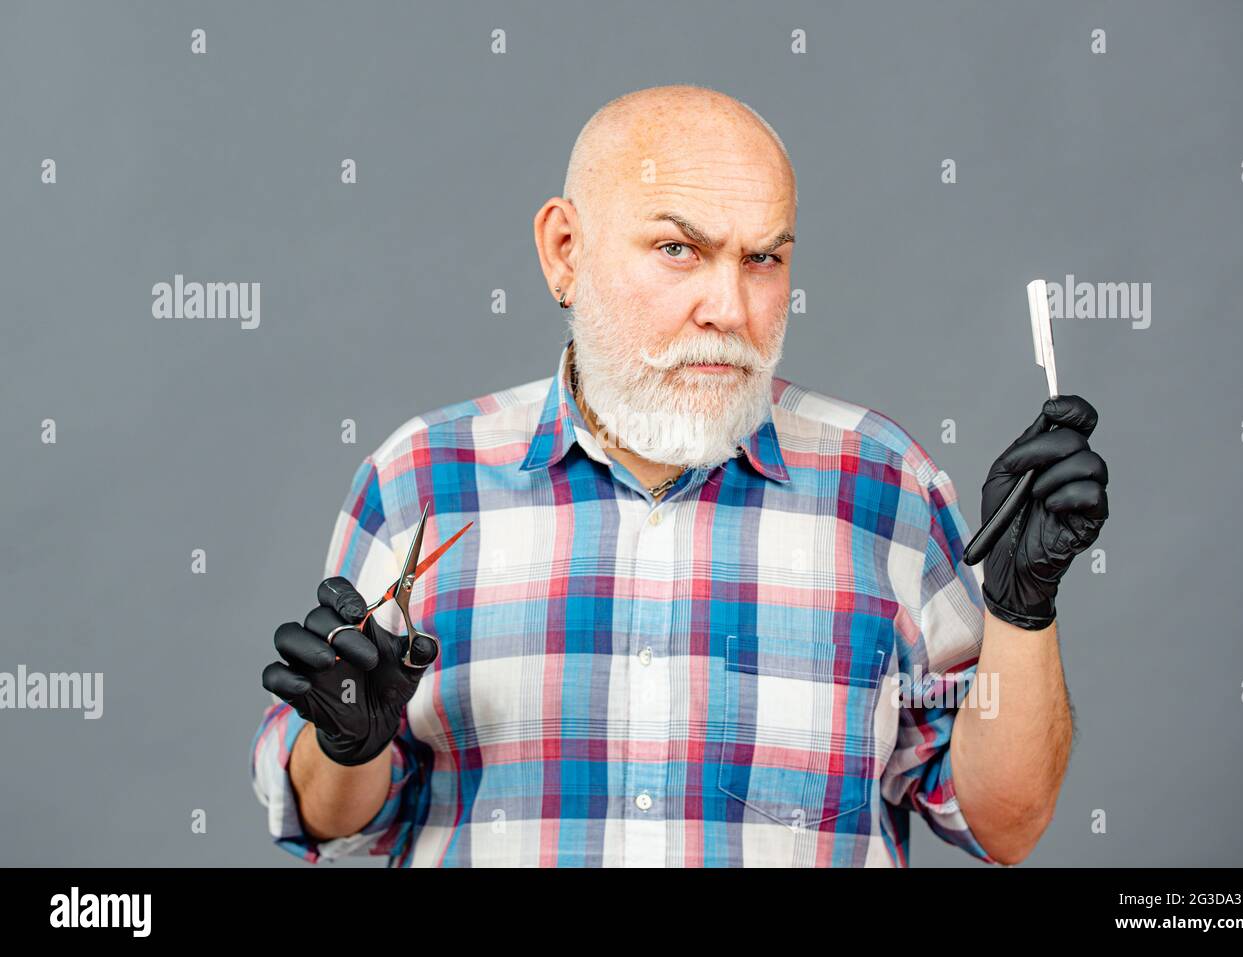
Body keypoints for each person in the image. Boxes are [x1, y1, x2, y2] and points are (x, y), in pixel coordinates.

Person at [251, 84, 1109, 867]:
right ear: (564, 251)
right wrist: (345, 747)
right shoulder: (421, 483)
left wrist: (1021, 608)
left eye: (763, 260)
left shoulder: (886, 487)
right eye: (678, 249)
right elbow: (330, 821)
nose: (729, 309)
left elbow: (1005, 821)